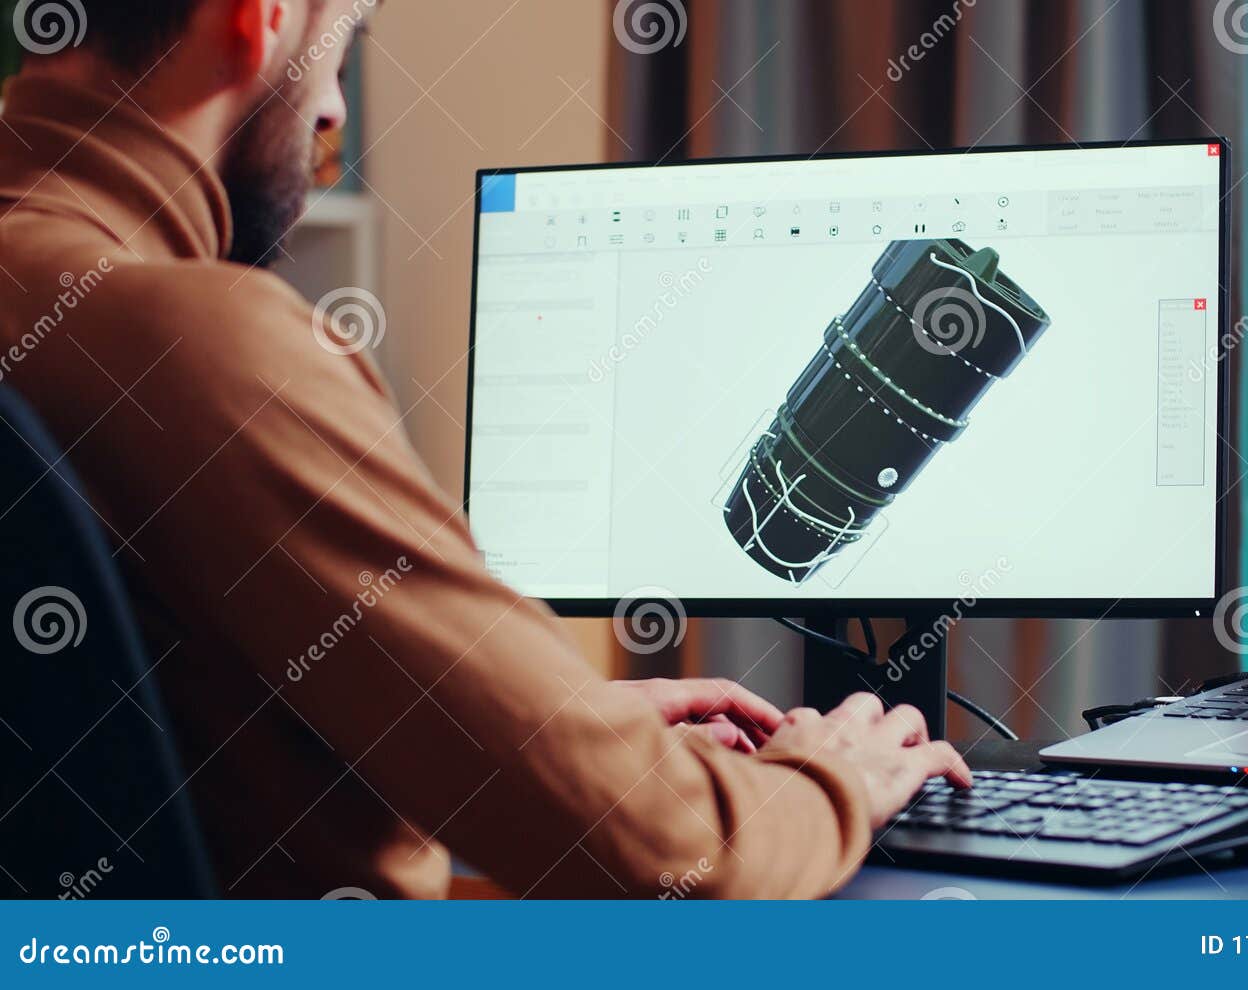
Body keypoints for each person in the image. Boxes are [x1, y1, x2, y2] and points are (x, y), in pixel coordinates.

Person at [0, 0, 969, 899]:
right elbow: (673, 862)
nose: (331, 112)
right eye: (347, 46)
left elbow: (165, 735)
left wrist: (545, 736)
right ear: (260, 17)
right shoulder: (198, 342)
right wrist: (829, 776)